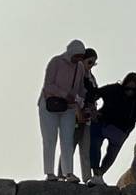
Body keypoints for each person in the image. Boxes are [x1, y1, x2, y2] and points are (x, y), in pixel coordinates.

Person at [38, 41, 95, 183]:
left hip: (69, 106)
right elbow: (48, 86)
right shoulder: (56, 62)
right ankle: (50, 173)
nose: (78, 58)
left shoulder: (79, 67)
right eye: (77, 55)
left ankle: (68, 173)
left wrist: (85, 101)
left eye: (80, 56)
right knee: (50, 139)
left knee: (67, 140)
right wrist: (65, 94)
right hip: (49, 104)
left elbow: (80, 88)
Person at [83, 72, 136, 186]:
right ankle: (96, 173)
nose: (130, 91)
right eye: (127, 88)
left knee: (111, 155)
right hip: (103, 124)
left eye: (133, 90)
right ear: (124, 85)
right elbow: (95, 93)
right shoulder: (114, 89)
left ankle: (99, 174)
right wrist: (92, 109)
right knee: (94, 146)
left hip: (120, 132)